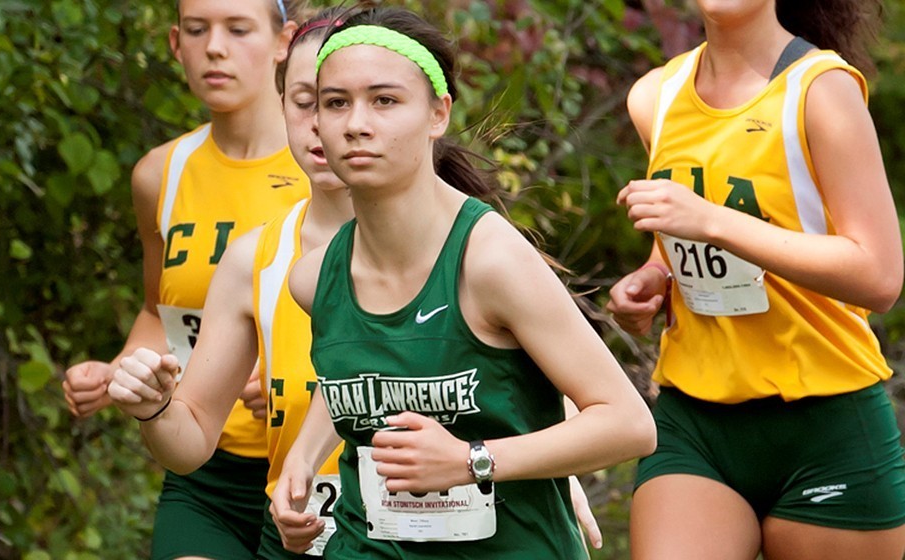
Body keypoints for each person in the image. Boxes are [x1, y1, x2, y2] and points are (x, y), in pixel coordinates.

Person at [265, 7, 656, 559]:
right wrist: (301, 461)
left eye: (384, 100)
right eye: (335, 103)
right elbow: (371, 375)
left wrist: (472, 460)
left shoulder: (490, 261)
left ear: (438, 113)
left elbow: (629, 425)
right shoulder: (314, 278)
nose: (355, 123)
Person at [608, 1, 905, 558]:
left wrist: (713, 221)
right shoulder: (655, 96)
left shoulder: (820, 88)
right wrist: (652, 277)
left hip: (825, 420)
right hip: (692, 417)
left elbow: (880, 275)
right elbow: (679, 237)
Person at [63, 0, 309, 558]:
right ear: (176, 44)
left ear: (283, 42)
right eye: (197, 31)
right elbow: (160, 311)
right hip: (205, 472)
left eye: (238, 29)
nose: (215, 48)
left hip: (313, 468)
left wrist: (285, 374)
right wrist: (122, 371)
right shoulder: (160, 174)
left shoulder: (327, 166)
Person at [107, 10, 352, 558]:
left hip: (407, 513)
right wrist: (146, 393)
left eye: (345, 102)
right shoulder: (252, 253)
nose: (327, 125)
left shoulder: (461, 237)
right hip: (255, 489)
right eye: (308, 102)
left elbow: (560, 385)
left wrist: (532, 471)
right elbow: (161, 317)